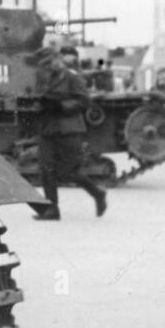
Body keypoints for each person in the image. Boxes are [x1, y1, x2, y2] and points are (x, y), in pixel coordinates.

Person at [32, 45, 107, 220]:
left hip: (69, 130)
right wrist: (39, 106)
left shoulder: (73, 78)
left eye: (50, 62)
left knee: (69, 172)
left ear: (58, 59)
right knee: (46, 169)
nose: (48, 66)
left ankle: (98, 193)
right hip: (48, 129)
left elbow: (85, 101)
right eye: (45, 64)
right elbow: (39, 98)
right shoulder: (44, 79)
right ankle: (52, 209)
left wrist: (61, 105)